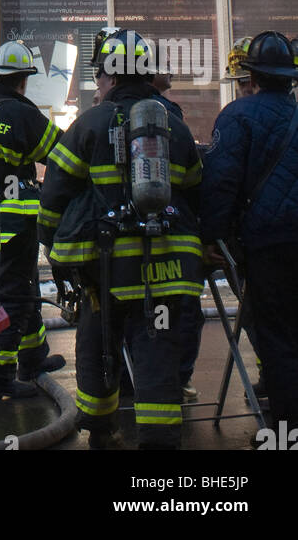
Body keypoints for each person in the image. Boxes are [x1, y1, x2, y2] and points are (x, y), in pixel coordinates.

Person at [39, 29, 203, 451]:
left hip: (105, 271)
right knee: (158, 351)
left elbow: (56, 189)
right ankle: (160, 439)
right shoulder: (174, 126)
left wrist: (50, 242)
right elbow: (195, 187)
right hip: (165, 274)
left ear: (108, 78)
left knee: (97, 344)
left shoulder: (90, 123)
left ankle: (100, 428)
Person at [200, 30, 298, 435]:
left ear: (252, 77)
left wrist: (212, 239)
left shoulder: (238, 118)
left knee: (278, 340)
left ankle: (287, 434)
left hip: (269, 245)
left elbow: (221, 185)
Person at [0, 40, 65, 399]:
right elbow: (60, 151)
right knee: (17, 295)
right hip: (17, 219)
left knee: (12, 288)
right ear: (24, 79)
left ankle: (32, 358)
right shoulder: (22, 113)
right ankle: (0, 374)